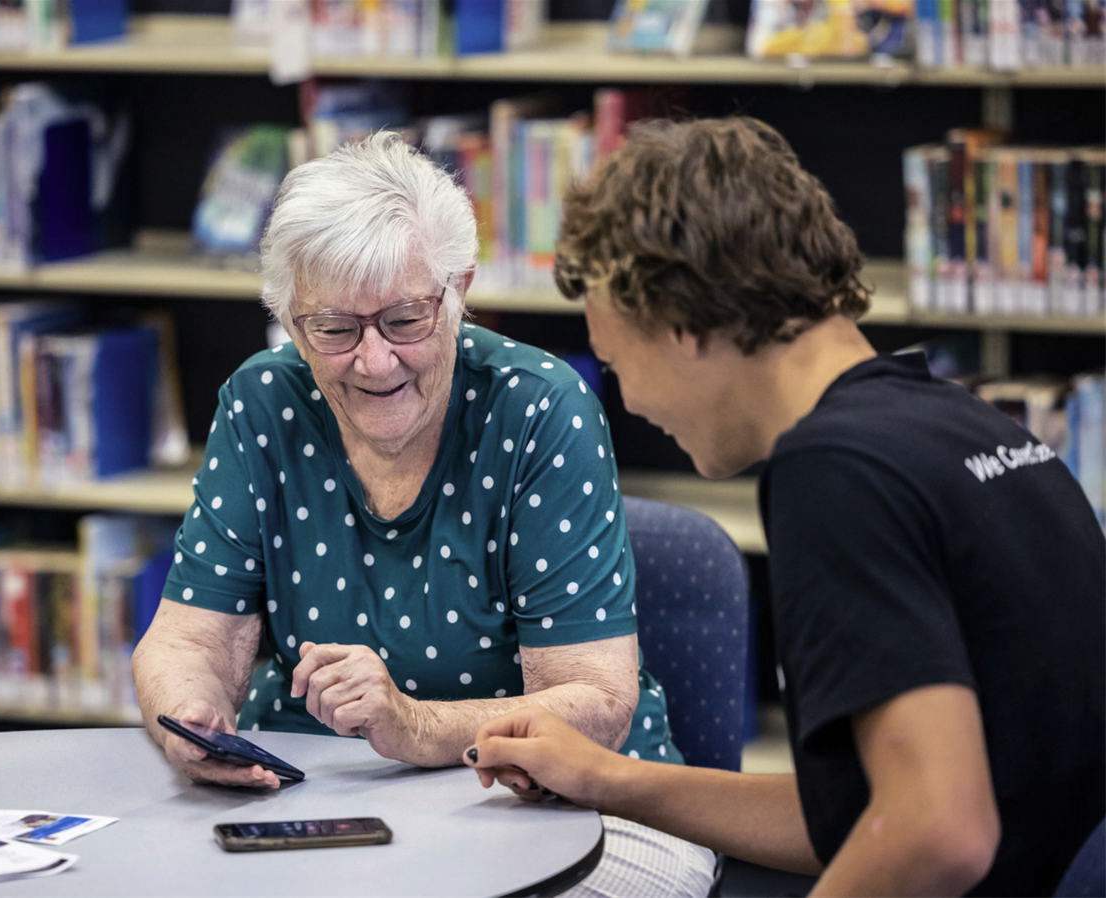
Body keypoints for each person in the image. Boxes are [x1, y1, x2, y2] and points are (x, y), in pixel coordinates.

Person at [462, 116, 1106, 898]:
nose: (628, 402)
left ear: (682, 325)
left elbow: (938, 831)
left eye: (618, 364)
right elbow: (873, 816)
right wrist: (610, 778)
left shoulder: (833, 474)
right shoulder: (970, 429)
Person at [131, 132, 717, 896]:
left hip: (562, 802)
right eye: (334, 329)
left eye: (406, 320)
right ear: (289, 319)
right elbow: (187, 639)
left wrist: (412, 725)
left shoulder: (539, 410)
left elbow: (594, 705)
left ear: (459, 290)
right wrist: (190, 717)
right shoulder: (262, 403)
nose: (375, 361)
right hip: (325, 792)